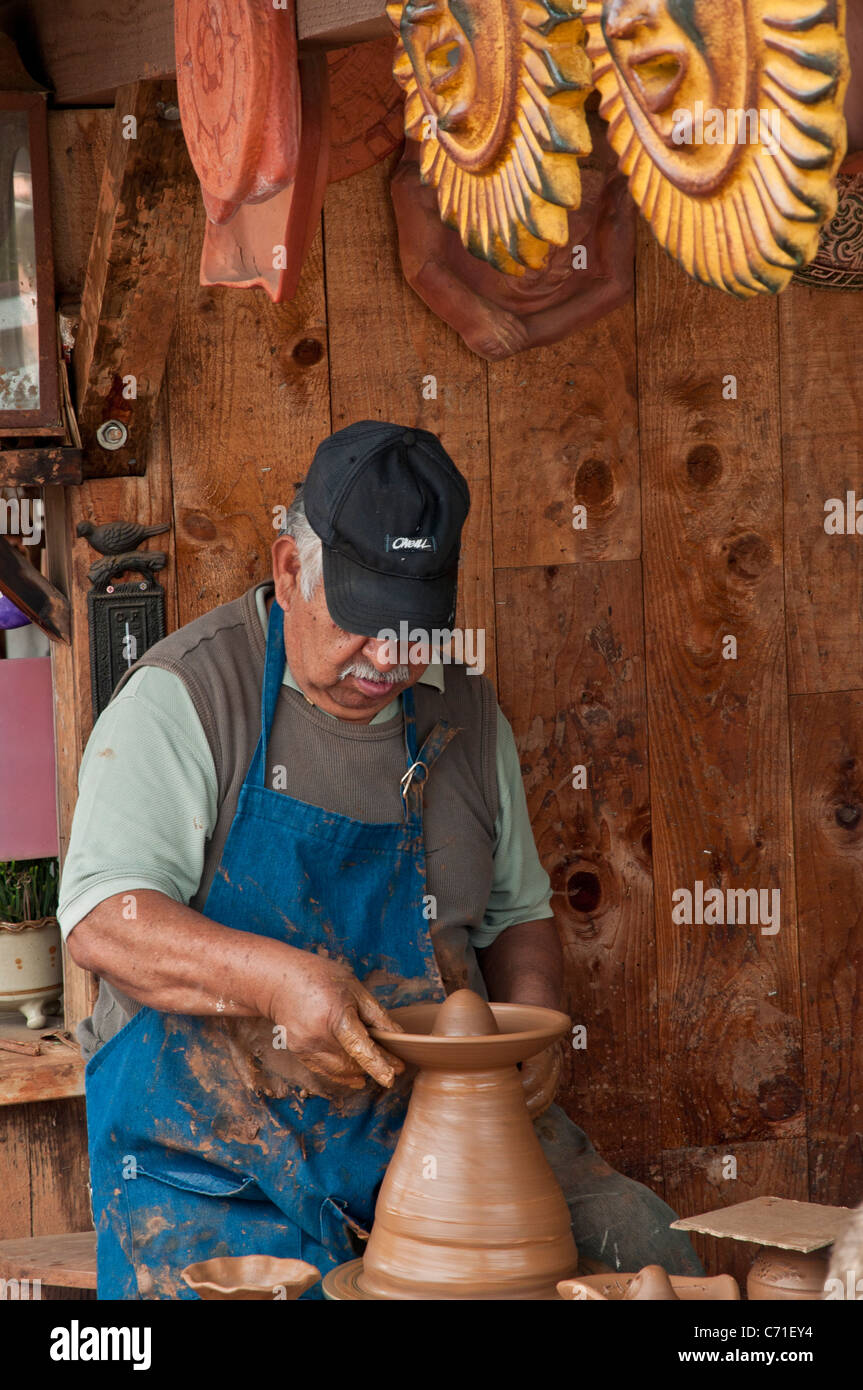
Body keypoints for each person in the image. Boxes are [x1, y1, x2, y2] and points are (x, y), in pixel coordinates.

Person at [60, 420, 701, 1298]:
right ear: (290, 570)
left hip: (435, 1132)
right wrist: (282, 984)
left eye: (417, 627)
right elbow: (102, 920)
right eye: (364, 622)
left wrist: (533, 1017)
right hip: (218, 1156)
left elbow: (517, 915)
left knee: (646, 1243)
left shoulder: (465, 718)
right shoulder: (189, 699)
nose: (392, 657)